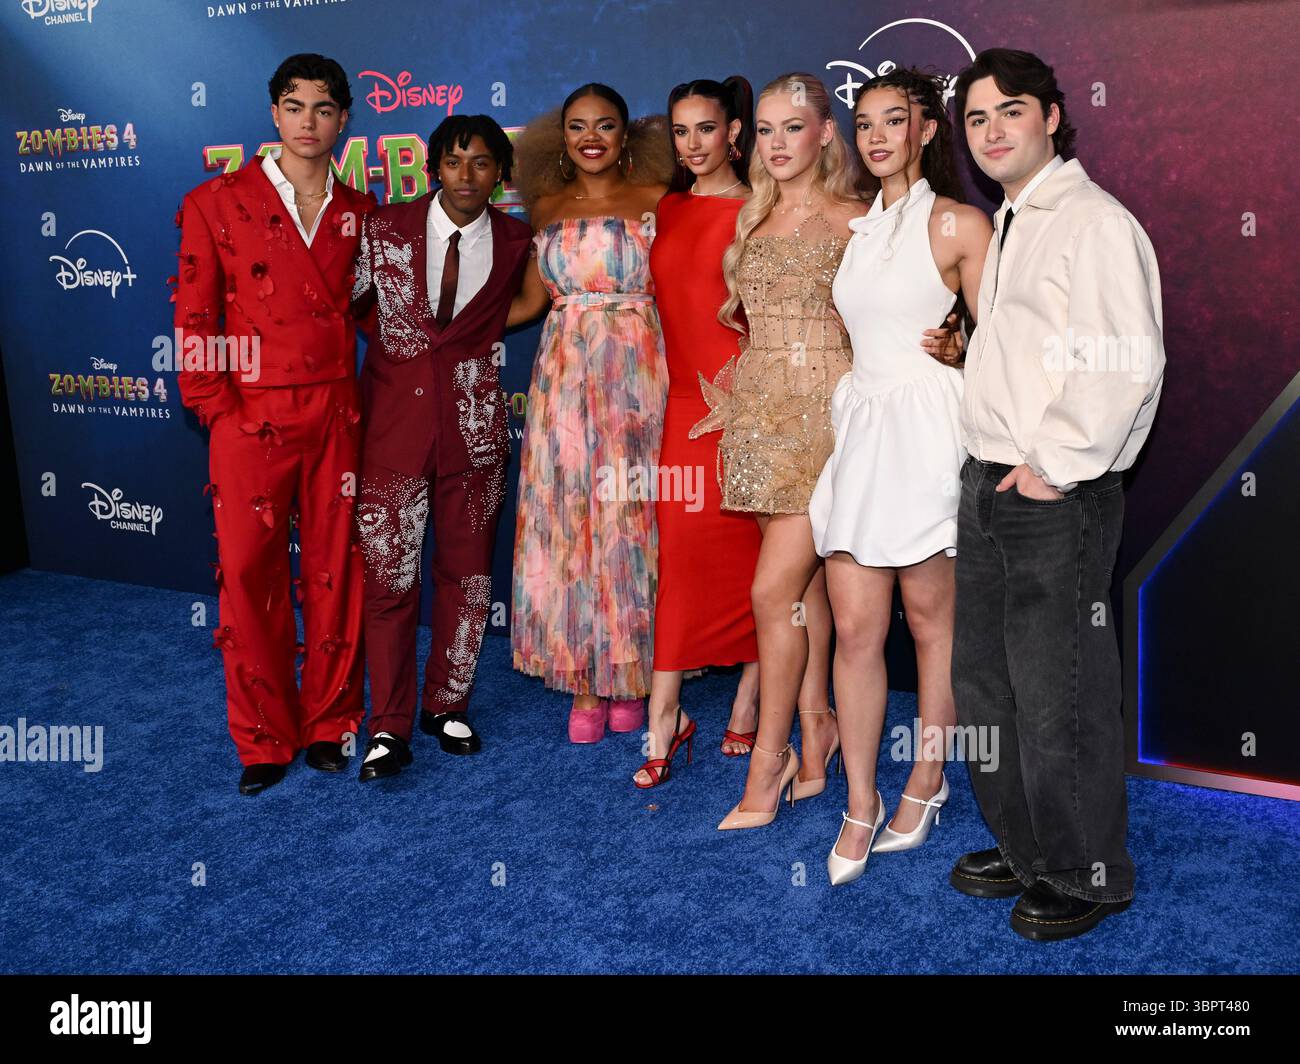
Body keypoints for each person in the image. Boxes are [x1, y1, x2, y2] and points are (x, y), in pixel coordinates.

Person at [950, 48, 1164, 940]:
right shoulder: (1011, 219)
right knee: (987, 688)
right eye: (976, 118)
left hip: (1054, 496)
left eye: (1010, 112)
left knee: (1058, 690)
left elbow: (1127, 359)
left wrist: (1056, 466)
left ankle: (1087, 869)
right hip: (989, 481)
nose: (993, 131)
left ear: (1050, 116)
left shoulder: (1092, 222)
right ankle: (1031, 843)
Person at [172, 53, 376, 794]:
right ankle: (263, 737)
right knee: (251, 576)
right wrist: (218, 409)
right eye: (295, 108)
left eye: (324, 109)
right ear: (274, 114)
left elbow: (370, 313)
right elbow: (196, 318)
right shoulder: (215, 202)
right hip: (249, 419)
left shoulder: (362, 209)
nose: (309, 123)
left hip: (336, 414)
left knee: (336, 571)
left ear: (344, 119)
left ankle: (329, 723)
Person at [807, 68, 991, 884]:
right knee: (852, 628)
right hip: (863, 426)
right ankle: (860, 800)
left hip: (926, 429)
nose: (877, 136)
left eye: (895, 121)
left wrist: (963, 346)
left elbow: (1006, 344)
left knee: (930, 624)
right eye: (866, 123)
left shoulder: (959, 223)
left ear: (925, 130)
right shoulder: (858, 227)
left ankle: (926, 777)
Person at [690, 72, 863, 828]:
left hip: (829, 422)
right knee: (804, 593)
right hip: (759, 418)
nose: (777, 144)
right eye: (763, 130)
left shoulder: (861, 220)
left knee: (771, 594)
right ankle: (818, 723)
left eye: (793, 128)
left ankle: (771, 761)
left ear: (826, 133)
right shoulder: (752, 216)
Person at [349, 115, 533, 781]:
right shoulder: (385, 226)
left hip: (477, 434)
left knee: (468, 576)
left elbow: (526, 305)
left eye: (482, 163)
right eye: (455, 162)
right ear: (434, 167)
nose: (466, 175)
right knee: (390, 583)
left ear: (499, 175)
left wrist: (467, 341)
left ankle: (447, 703)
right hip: (393, 433)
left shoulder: (516, 239)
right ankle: (389, 724)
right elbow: (354, 306)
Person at [507, 84, 675, 742]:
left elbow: (688, 283)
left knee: (630, 521)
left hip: (637, 374)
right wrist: (441, 324)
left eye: (606, 125)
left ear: (627, 135)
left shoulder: (659, 200)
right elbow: (524, 301)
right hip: (566, 380)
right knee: (572, 519)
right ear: (561, 136)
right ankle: (582, 677)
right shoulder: (545, 206)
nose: (591, 136)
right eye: (578, 126)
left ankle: (632, 672)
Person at [632, 75, 763, 788]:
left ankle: (748, 698)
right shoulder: (669, 208)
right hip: (684, 406)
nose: (693, 145)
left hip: (746, 407)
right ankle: (668, 715)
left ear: (733, 133)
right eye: (680, 132)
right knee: (679, 556)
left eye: (706, 130)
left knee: (758, 561)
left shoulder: (758, 212)